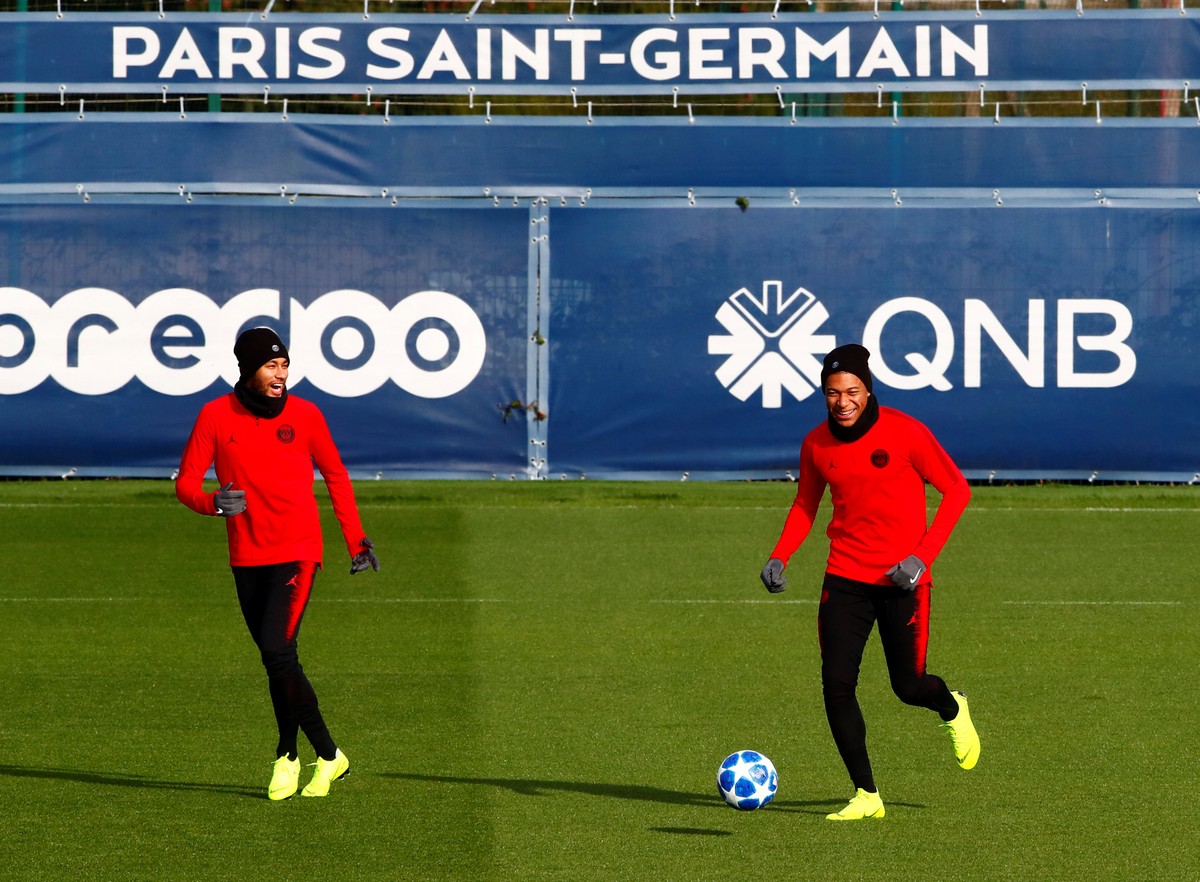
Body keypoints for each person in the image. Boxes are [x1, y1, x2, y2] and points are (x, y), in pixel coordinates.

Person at [759, 343, 979, 821]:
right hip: (844, 578)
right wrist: (781, 555)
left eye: (852, 390)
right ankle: (866, 795)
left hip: (904, 582)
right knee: (835, 684)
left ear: (869, 388)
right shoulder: (816, 444)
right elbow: (805, 506)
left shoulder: (906, 432)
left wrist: (921, 558)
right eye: (833, 392)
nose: (843, 401)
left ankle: (950, 706)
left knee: (908, 686)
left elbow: (957, 490)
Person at [175, 327, 381, 801]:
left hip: (298, 552)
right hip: (246, 557)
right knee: (277, 662)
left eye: (284, 365)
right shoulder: (213, 416)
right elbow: (185, 483)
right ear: (248, 369)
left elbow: (335, 474)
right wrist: (212, 503)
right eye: (271, 366)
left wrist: (356, 539)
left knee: (278, 651)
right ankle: (310, 758)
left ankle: (308, 755)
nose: (281, 373)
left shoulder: (306, 415)